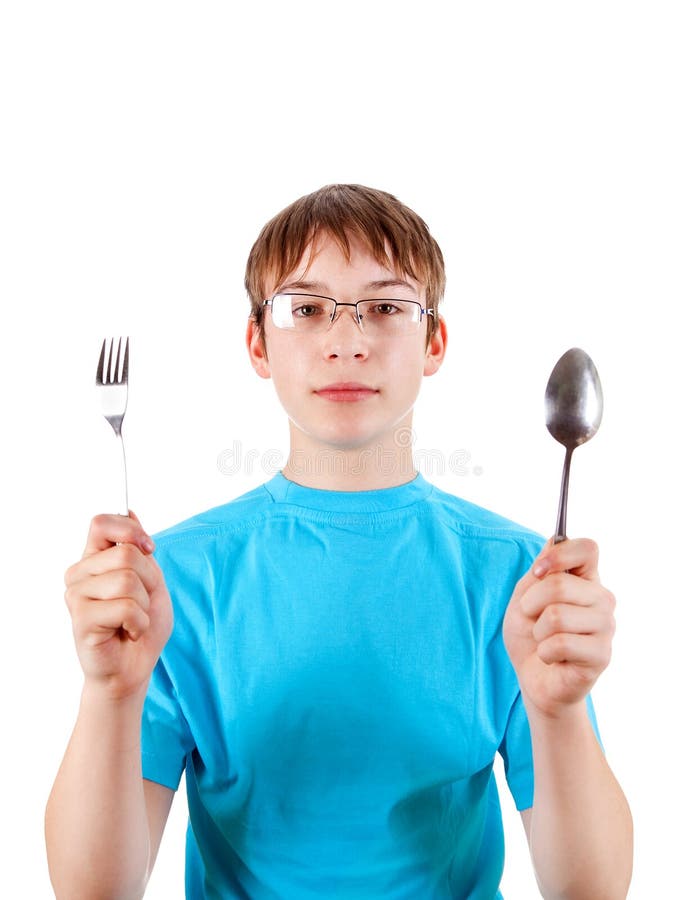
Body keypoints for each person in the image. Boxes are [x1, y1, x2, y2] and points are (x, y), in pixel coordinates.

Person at [46, 184, 633, 899]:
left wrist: (559, 710)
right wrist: (109, 691)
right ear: (258, 344)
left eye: (386, 308)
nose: (346, 341)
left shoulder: (522, 580)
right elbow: (94, 892)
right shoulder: (166, 584)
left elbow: (591, 892)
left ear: (434, 342)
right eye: (307, 309)